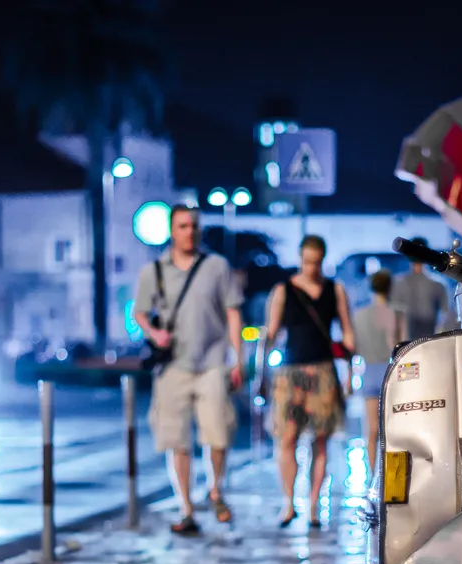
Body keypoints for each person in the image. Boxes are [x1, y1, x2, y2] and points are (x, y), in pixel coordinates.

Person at [132, 204, 245, 535]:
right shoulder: (154, 270)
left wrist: (238, 358)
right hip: (173, 366)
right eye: (182, 226)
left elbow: (233, 313)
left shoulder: (216, 266)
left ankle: (215, 490)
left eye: (193, 225)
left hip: (212, 361)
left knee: (218, 433)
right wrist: (154, 333)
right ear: (172, 230)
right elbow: (140, 312)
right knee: (176, 440)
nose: (189, 232)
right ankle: (186, 508)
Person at [262, 234, 355, 528]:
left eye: (316, 262)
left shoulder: (334, 290)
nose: (311, 267)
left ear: (322, 260)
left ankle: (314, 504)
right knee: (287, 438)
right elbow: (271, 333)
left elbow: (348, 332)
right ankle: (289, 502)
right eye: (307, 261)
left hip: (323, 371)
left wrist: (349, 372)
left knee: (321, 440)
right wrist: (261, 375)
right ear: (300, 258)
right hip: (291, 374)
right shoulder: (283, 290)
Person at [352, 270, 406, 474]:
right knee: (393, 429)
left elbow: (354, 347)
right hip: (392, 373)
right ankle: (392, 474)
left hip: (369, 372)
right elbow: (402, 346)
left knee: (372, 430)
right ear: (390, 287)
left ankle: (373, 475)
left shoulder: (359, 315)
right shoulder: (397, 312)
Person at [392, 237, 457, 341]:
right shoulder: (399, 283)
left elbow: (445, 314)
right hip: (408, 339)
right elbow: (395, 314)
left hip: (430, 338)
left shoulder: (437, 283)